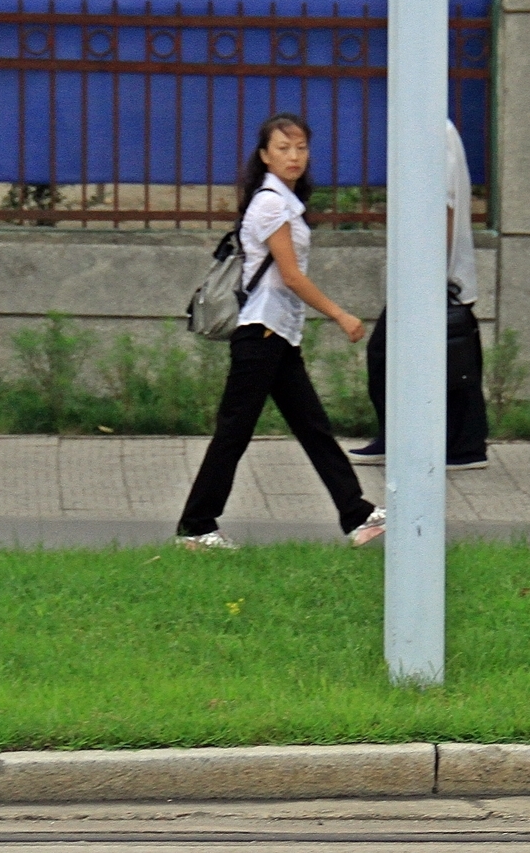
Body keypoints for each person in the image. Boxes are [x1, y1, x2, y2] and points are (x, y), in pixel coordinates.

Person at [176, 113, 385, 550]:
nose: (294, 156)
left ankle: (358, 514)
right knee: (235, 431)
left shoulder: (282, 201)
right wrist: (341, 315)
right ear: (265, 155)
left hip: (277, 336)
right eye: (284, 148)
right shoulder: (271, 204)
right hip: (262, 334)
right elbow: (290, 276)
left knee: (312, 426)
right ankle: (196, 526)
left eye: (301, 148)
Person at [350, 119, 489, 471]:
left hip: (432, 276)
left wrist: (429, 276)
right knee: (455, 355)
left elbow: (443, 207)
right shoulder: (427, 127)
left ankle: (443, 445)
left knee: (393, 352)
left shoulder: (433, 131)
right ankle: (462, 445)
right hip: (429, 276)